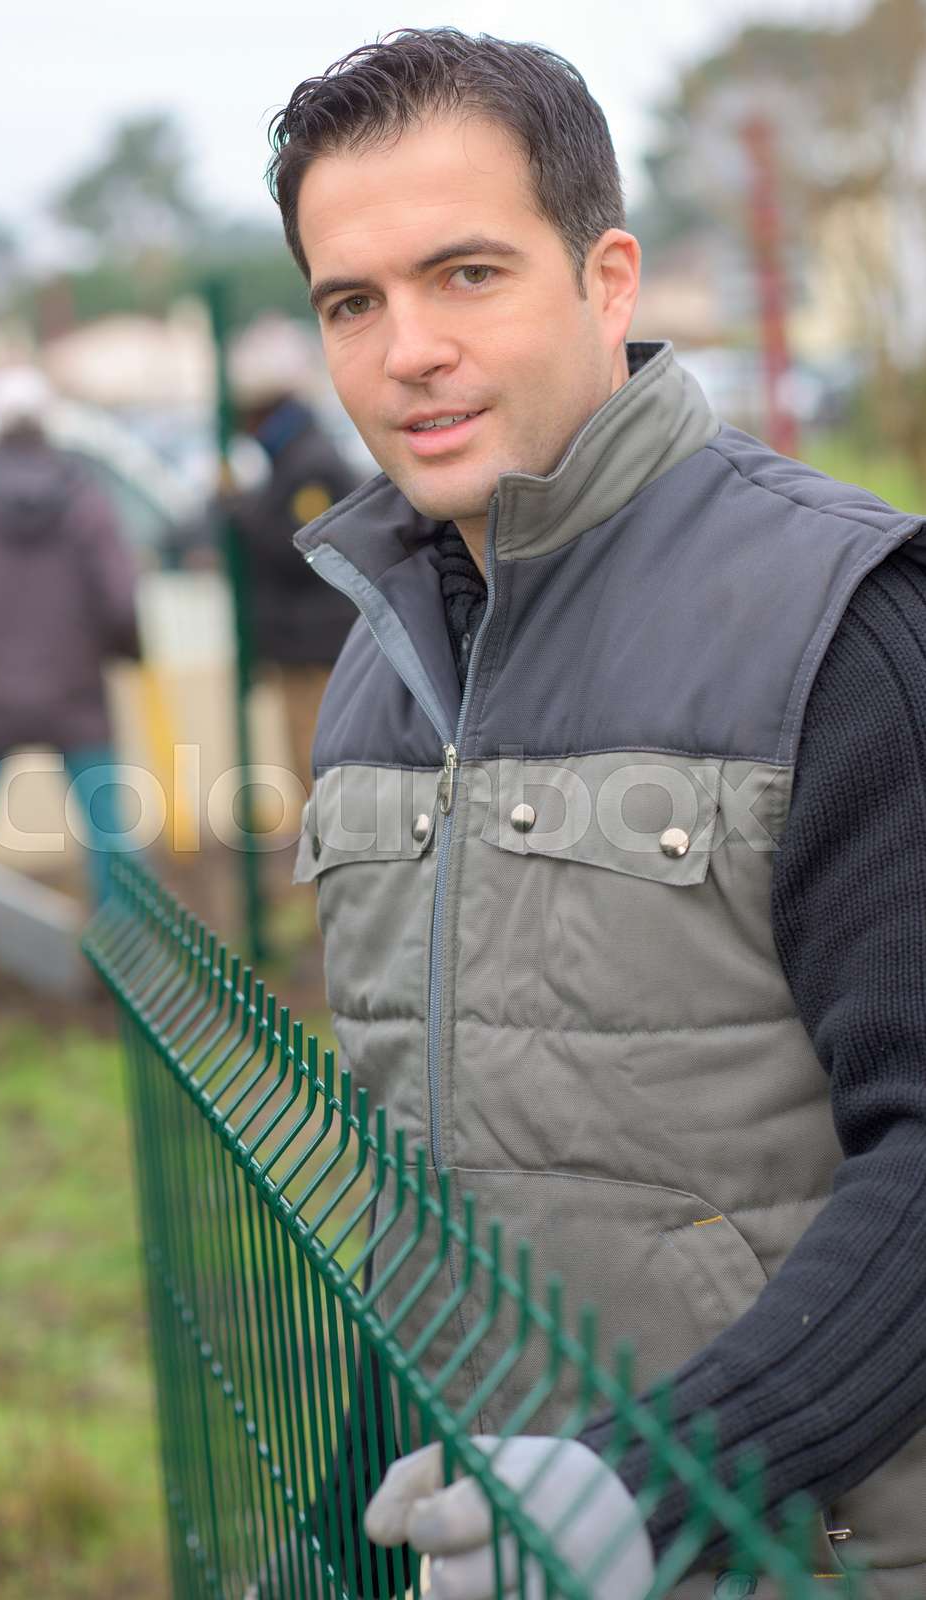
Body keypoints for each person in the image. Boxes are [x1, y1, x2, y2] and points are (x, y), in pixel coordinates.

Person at [261, 27, 926, 1600]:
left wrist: (663, 1482)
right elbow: (434, 1188)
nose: (405, 349)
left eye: (467, 274)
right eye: (351, 302)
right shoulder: (375, 670)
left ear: (607, 279)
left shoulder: (842, 622)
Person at [0, 366, 141, 985]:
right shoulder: (87, 507)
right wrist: (125, 650)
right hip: (76, 691)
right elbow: (119, 599)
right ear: (46, 423)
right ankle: (116, 963)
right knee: (107, 831)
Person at [221, 316, 360, 819]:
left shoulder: (310, 463)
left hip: (317, 648)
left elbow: (304, 550)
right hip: (301, 646)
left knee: (318, 768)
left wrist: (241, 516)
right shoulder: (293, 458)